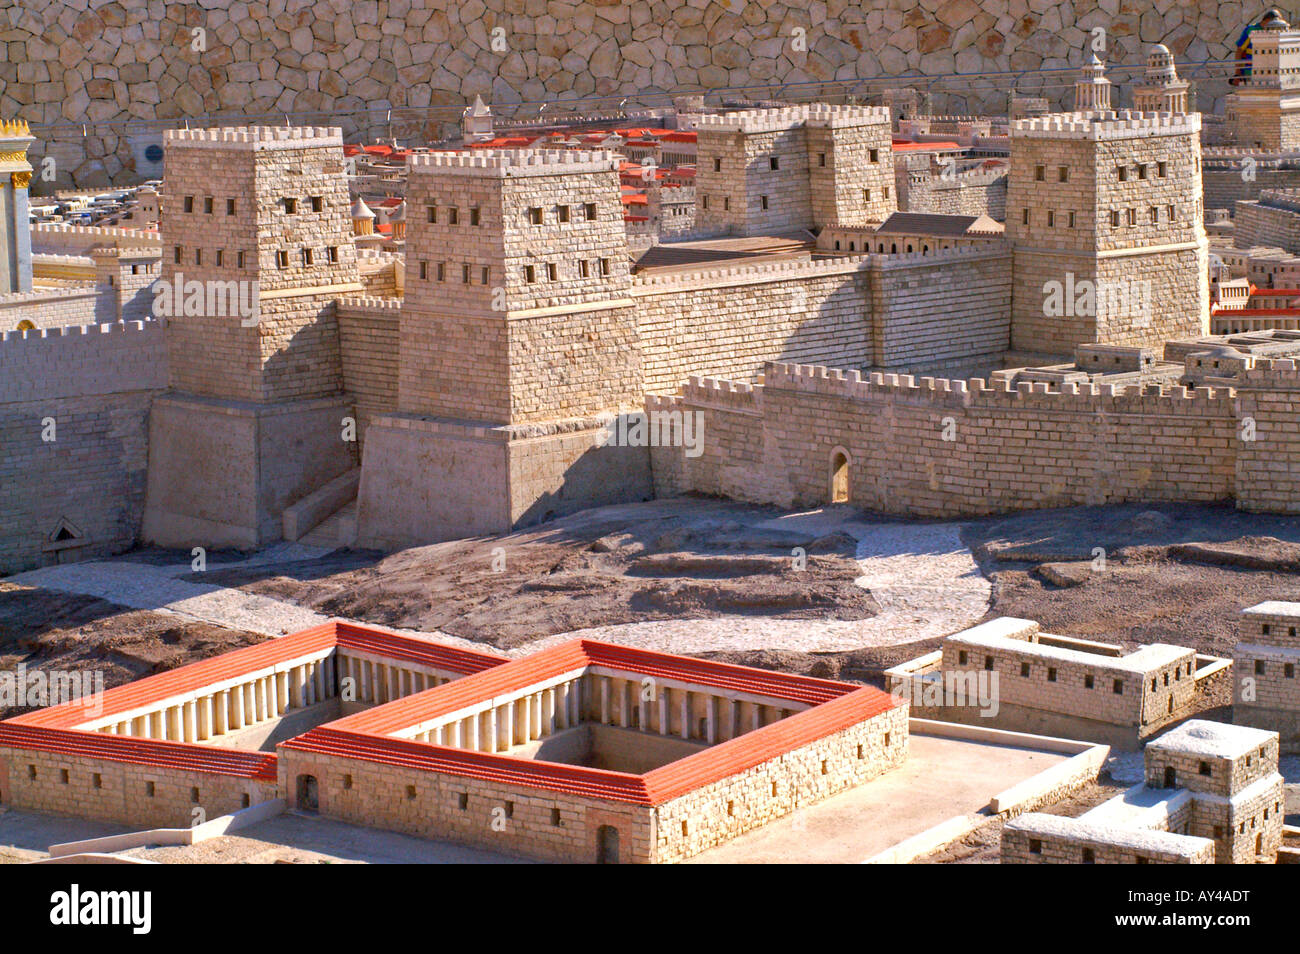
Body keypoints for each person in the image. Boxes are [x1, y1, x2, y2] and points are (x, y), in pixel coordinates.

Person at [1232, 8, 1286, 85]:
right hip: (1250, 71)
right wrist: (1238, 73)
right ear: (1265, 20)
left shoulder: (1274, 31)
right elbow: (1239, 50)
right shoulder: (1251, 30)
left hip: (1269, 73)